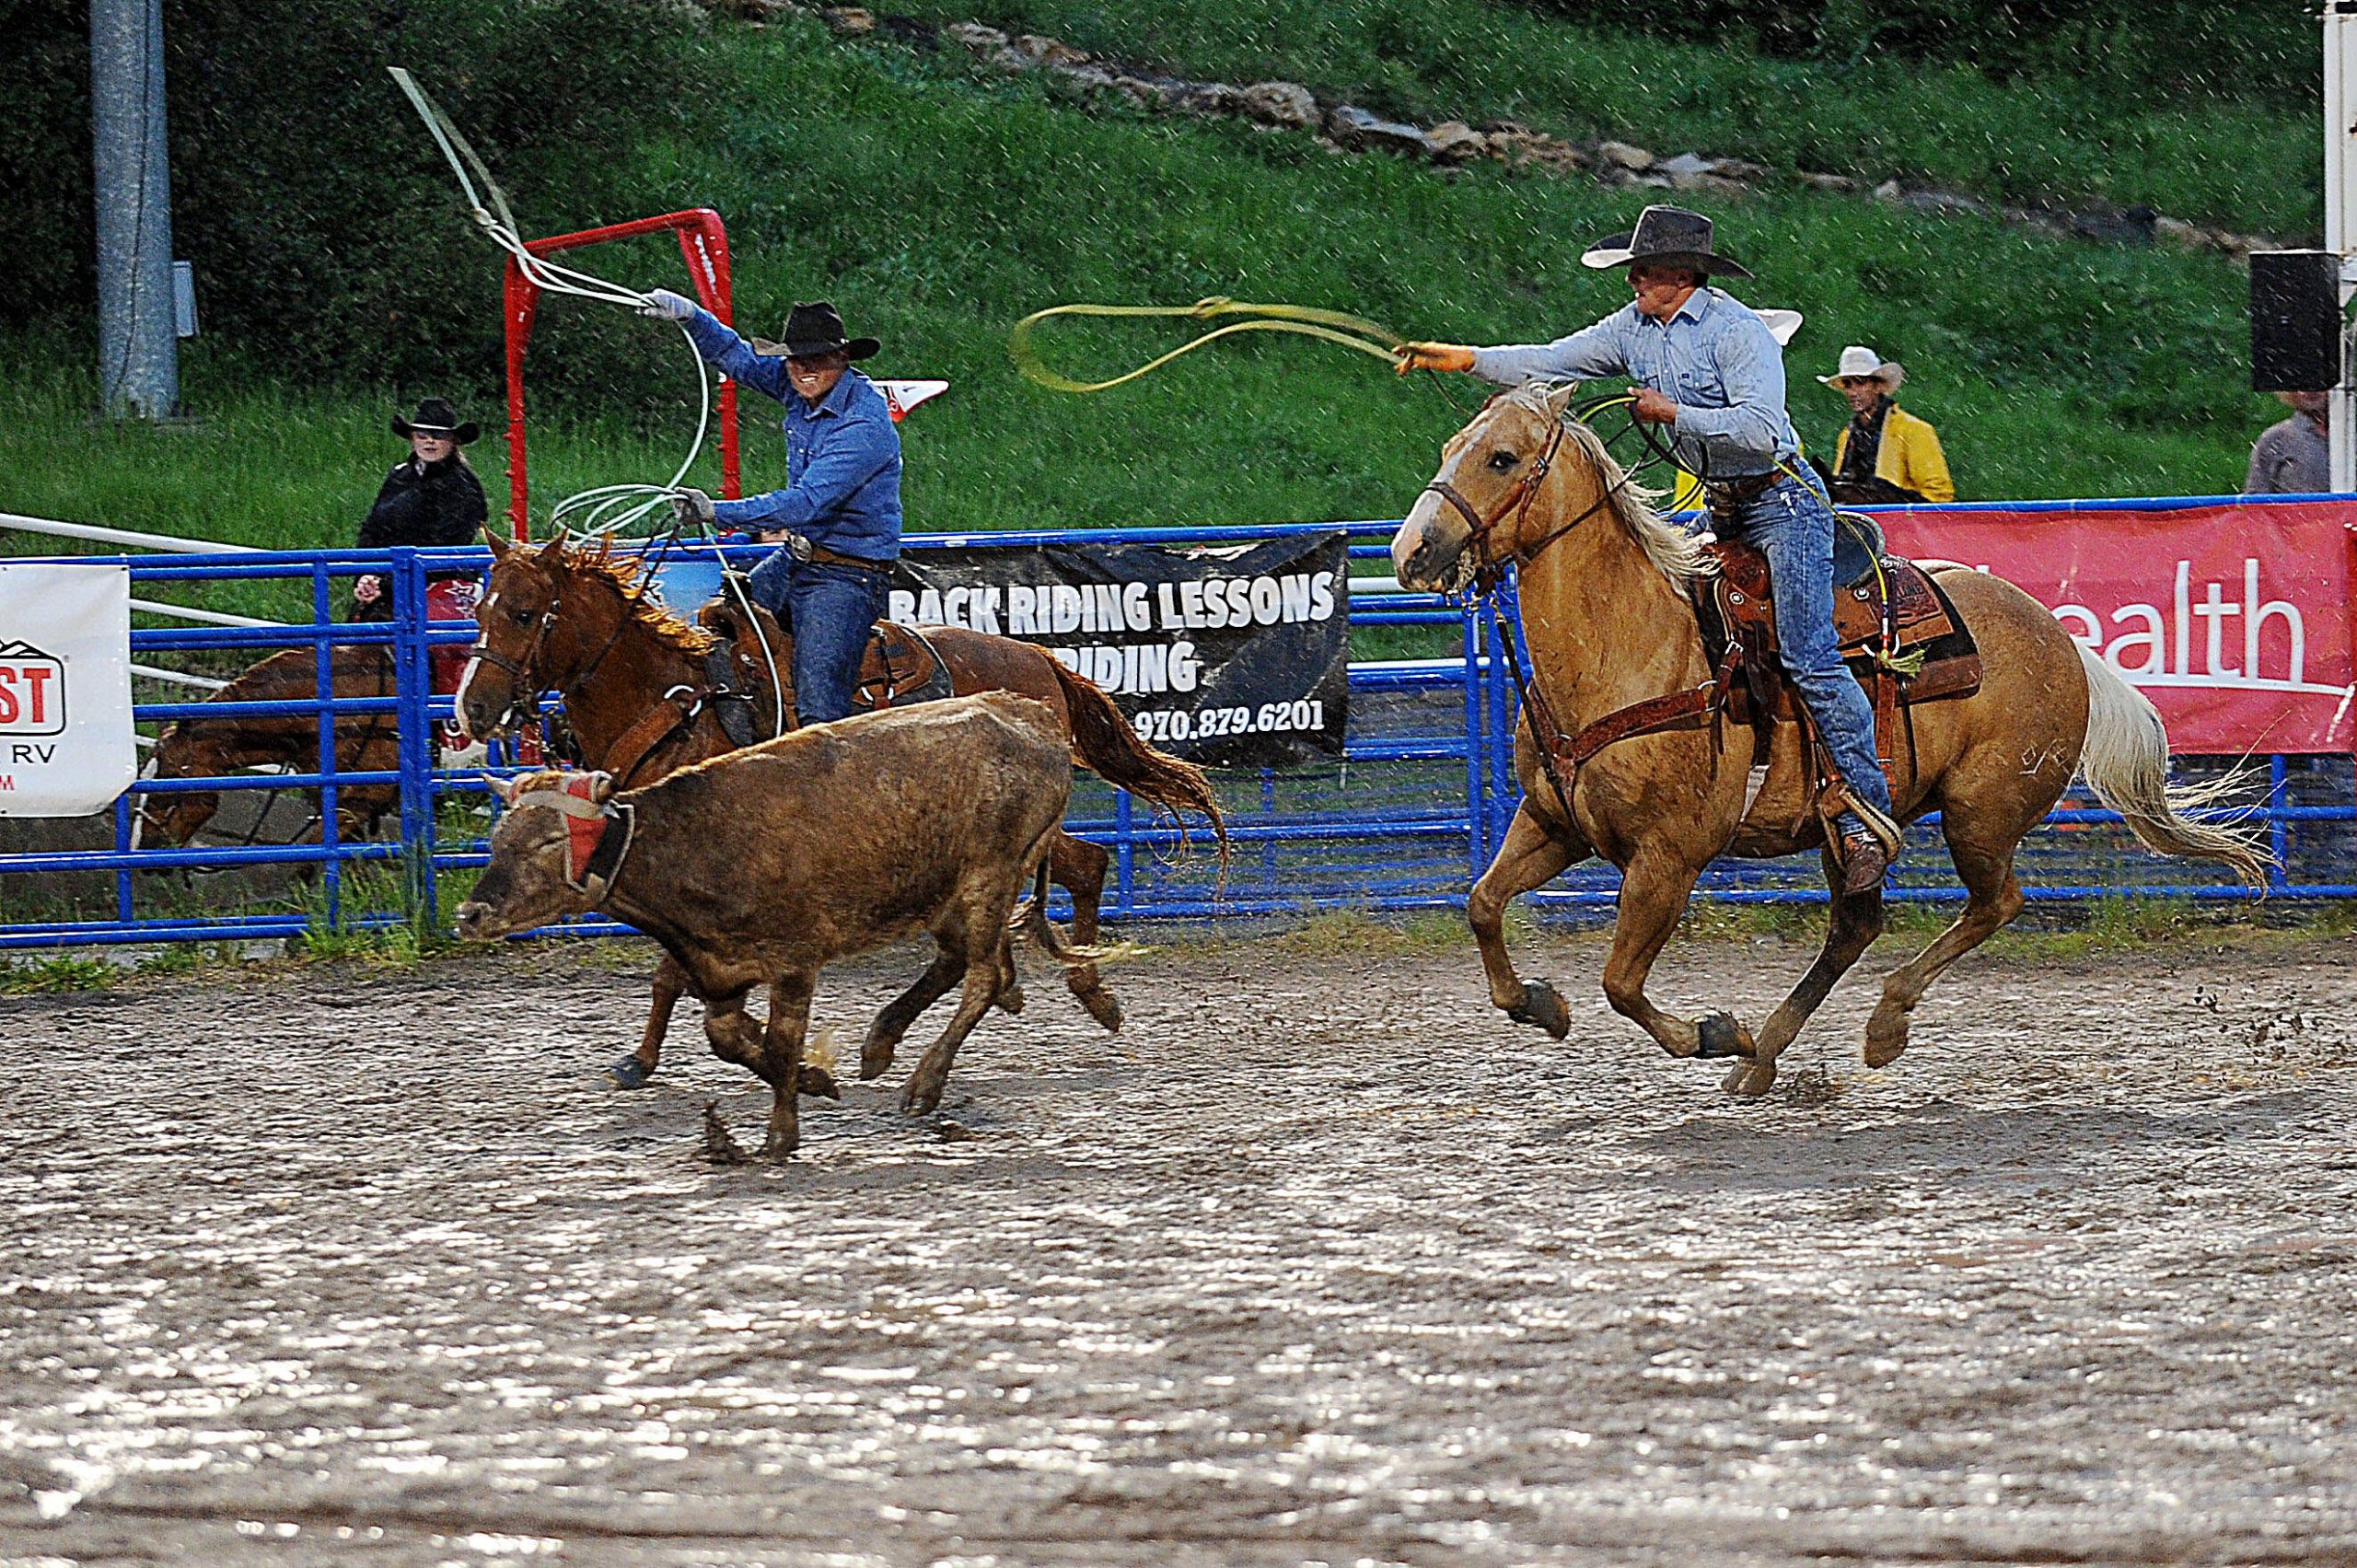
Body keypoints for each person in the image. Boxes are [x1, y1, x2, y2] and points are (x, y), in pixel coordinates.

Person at [1394, 204, 1899, 891]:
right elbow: (1548, 360)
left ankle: (1863, 812)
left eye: (1645, 268)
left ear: (1681, 275)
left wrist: (1674, 414)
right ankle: (1705, 767)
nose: (1632, 278)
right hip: (1723, 506)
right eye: (1633, 268)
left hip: (1783, 503)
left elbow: (1757, 428)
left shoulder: (1738, 332)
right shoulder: (1633, 329)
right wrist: (1466, 359)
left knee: (1809, 650)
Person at [644, 291, 902, 727]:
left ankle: (826, 778)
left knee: (820, 709)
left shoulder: (863, 425)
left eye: (816, 359)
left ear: (840, 358)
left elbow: (805, 503)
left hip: (847, 574)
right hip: (798, 559)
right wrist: (690, 316)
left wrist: (716, 513)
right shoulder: (800, 386)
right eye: (796, 359)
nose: (804, 369)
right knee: (719, 634)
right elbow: (735, 356)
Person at [354, 397, 489, 622]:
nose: (430, 442)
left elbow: (445, 548)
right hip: (388, 579)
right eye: (422, 435)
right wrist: (365, 575)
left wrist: (386, 583)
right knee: (353, 641)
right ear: (412, 438)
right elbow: (371, 529)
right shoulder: (398, 476)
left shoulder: (465, 486)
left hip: (437, 584)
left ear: (452, 441)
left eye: (439, 436)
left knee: (439, 640)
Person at [1819, 344, 1954, 504]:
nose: (1853, 392)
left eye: (1860, 383)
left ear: (1878, 386)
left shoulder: (1914, 430)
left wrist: (1891, 500)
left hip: (1902, 524)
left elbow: (1939, 494)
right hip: (1861, 523)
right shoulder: (1847, 435)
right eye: (1848, 384)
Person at [2244, 389, 2331, 495]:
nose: (2311, 391)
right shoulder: (2276, 438)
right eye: (2302, 385)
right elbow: (2255, 502)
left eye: (2319, 384)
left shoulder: (2349, 438)